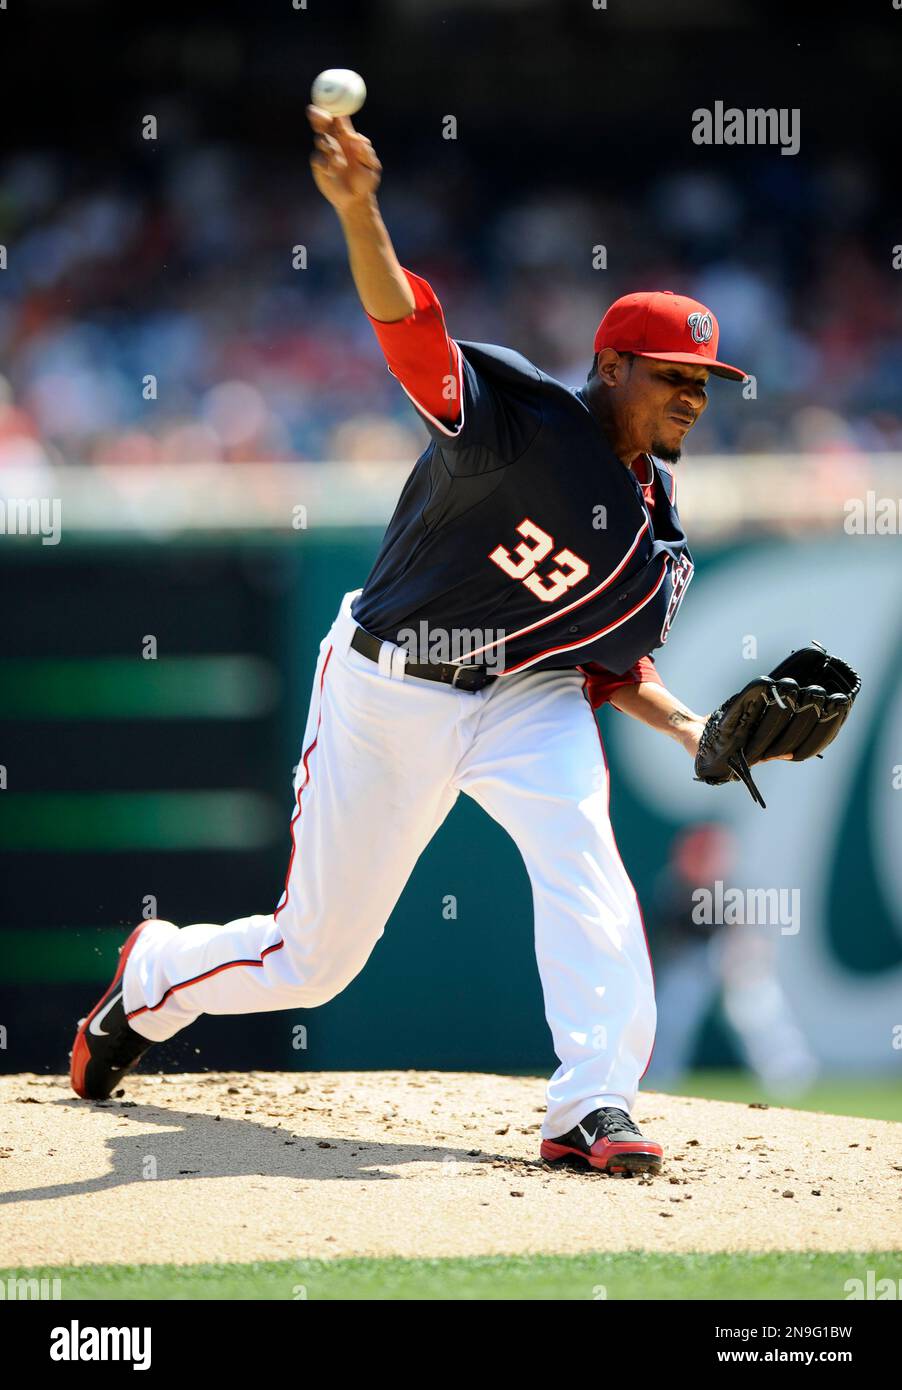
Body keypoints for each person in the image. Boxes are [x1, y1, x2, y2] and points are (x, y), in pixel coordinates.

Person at [70, 106, 764, 1177]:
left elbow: (609, 667)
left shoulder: (649, 518)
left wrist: (695, 731)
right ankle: (155, 974)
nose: (692, 398)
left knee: (585, 862)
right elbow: (407, 330)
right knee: (315, 957)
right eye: (673, 374)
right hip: (390, 687)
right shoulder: (517, 418)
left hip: (524, 697)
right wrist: (359, 212)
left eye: (703, 384)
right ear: (614, 363)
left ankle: (592, 1105)